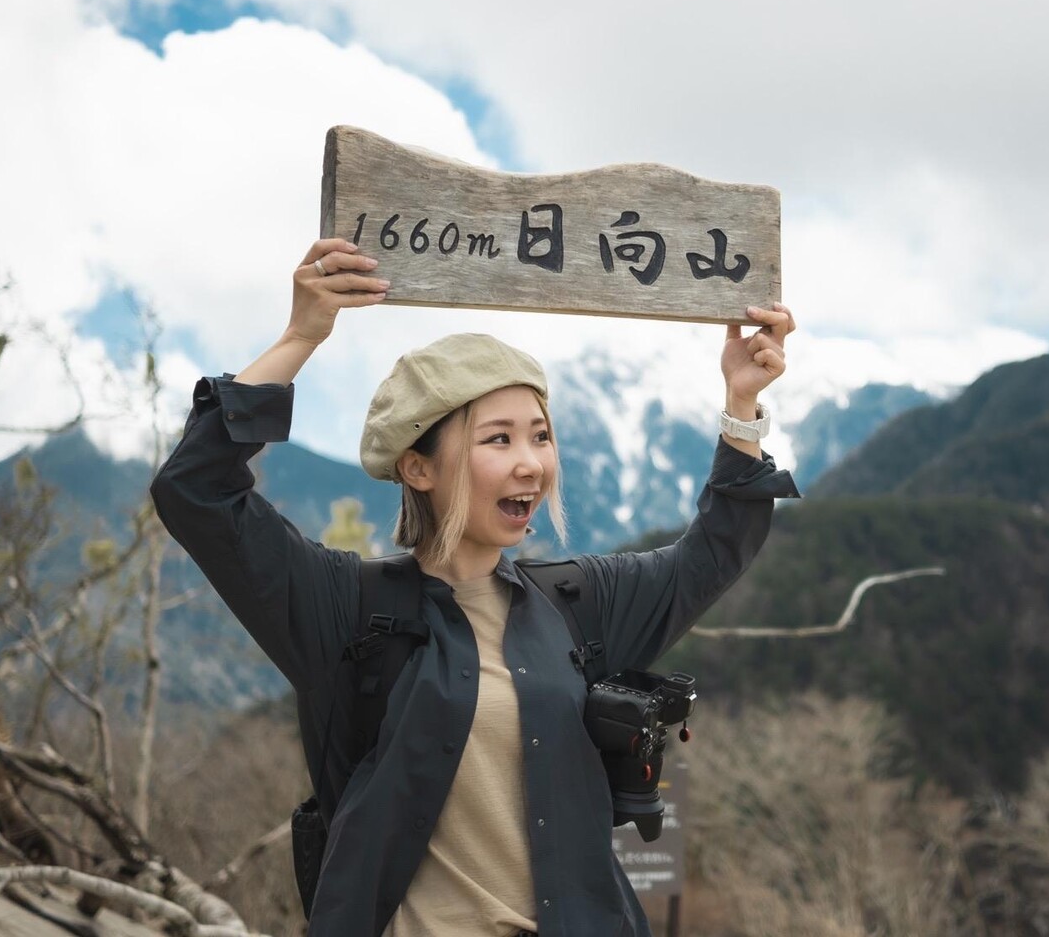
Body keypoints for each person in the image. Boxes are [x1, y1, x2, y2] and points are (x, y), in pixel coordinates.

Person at [150, 237, 799, 936]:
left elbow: (714, 553)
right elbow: (196, 490)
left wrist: (741, 404)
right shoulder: (344, 611)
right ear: (418, 468)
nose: (531, 464)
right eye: (498, 440)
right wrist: (302, 335)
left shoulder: (580, 604)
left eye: (540, 436)